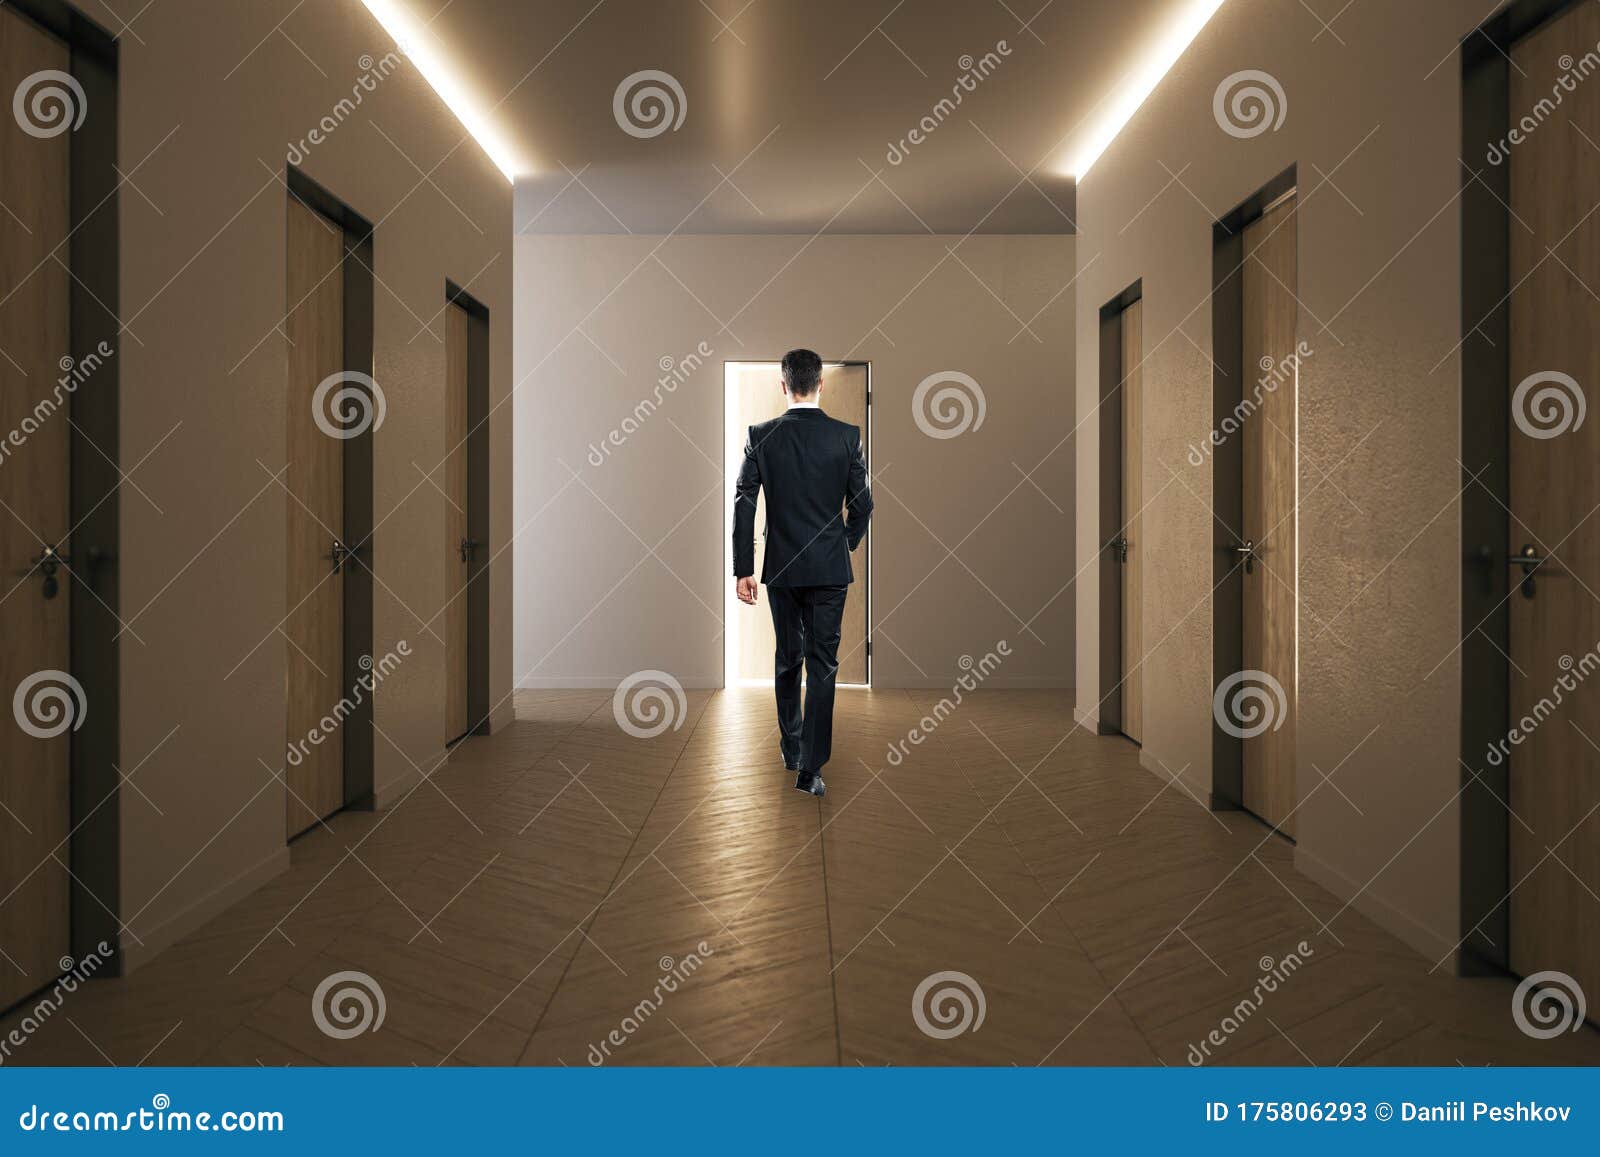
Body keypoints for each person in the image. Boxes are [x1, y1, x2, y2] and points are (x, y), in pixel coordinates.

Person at [731, 349, 872, 797]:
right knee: (824, 665)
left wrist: (743, 570)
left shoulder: (761, 436)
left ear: (783, 385)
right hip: (831, 569)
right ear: (821, 384)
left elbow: (744, 503)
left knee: (788, 658)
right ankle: (810, 769)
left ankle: (791, 747)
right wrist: (844, 542)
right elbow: (864, 503)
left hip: (782, 568)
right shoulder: (847, 436)